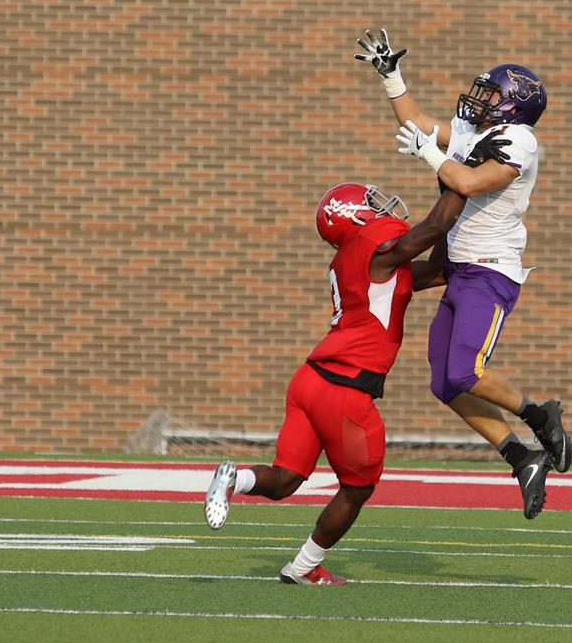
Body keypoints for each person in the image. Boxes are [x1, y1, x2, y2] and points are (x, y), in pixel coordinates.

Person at [202, 165, 501, 584]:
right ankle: (303, 567)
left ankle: (239, 478)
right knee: (358, 487)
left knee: (286, 478)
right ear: (354, 217)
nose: (380, 208)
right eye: (371, 204)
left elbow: (436, 269)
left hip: (310, 381)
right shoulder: (372, 252)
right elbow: (435, 225)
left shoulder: (360, 263)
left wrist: (462, 217)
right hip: (344, 387)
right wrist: (463, 177)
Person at [353, 28, 572, 520]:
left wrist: (432, 156)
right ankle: (522, 457)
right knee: (446, 384)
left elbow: (469, 181)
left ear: (514, 104)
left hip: (490, 270)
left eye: (492, 93)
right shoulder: (480, 131)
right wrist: (391, 78)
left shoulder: (520, 140)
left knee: (465, 370)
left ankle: (540, 416)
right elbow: (419, 121)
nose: (482, 99)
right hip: (458, 267)